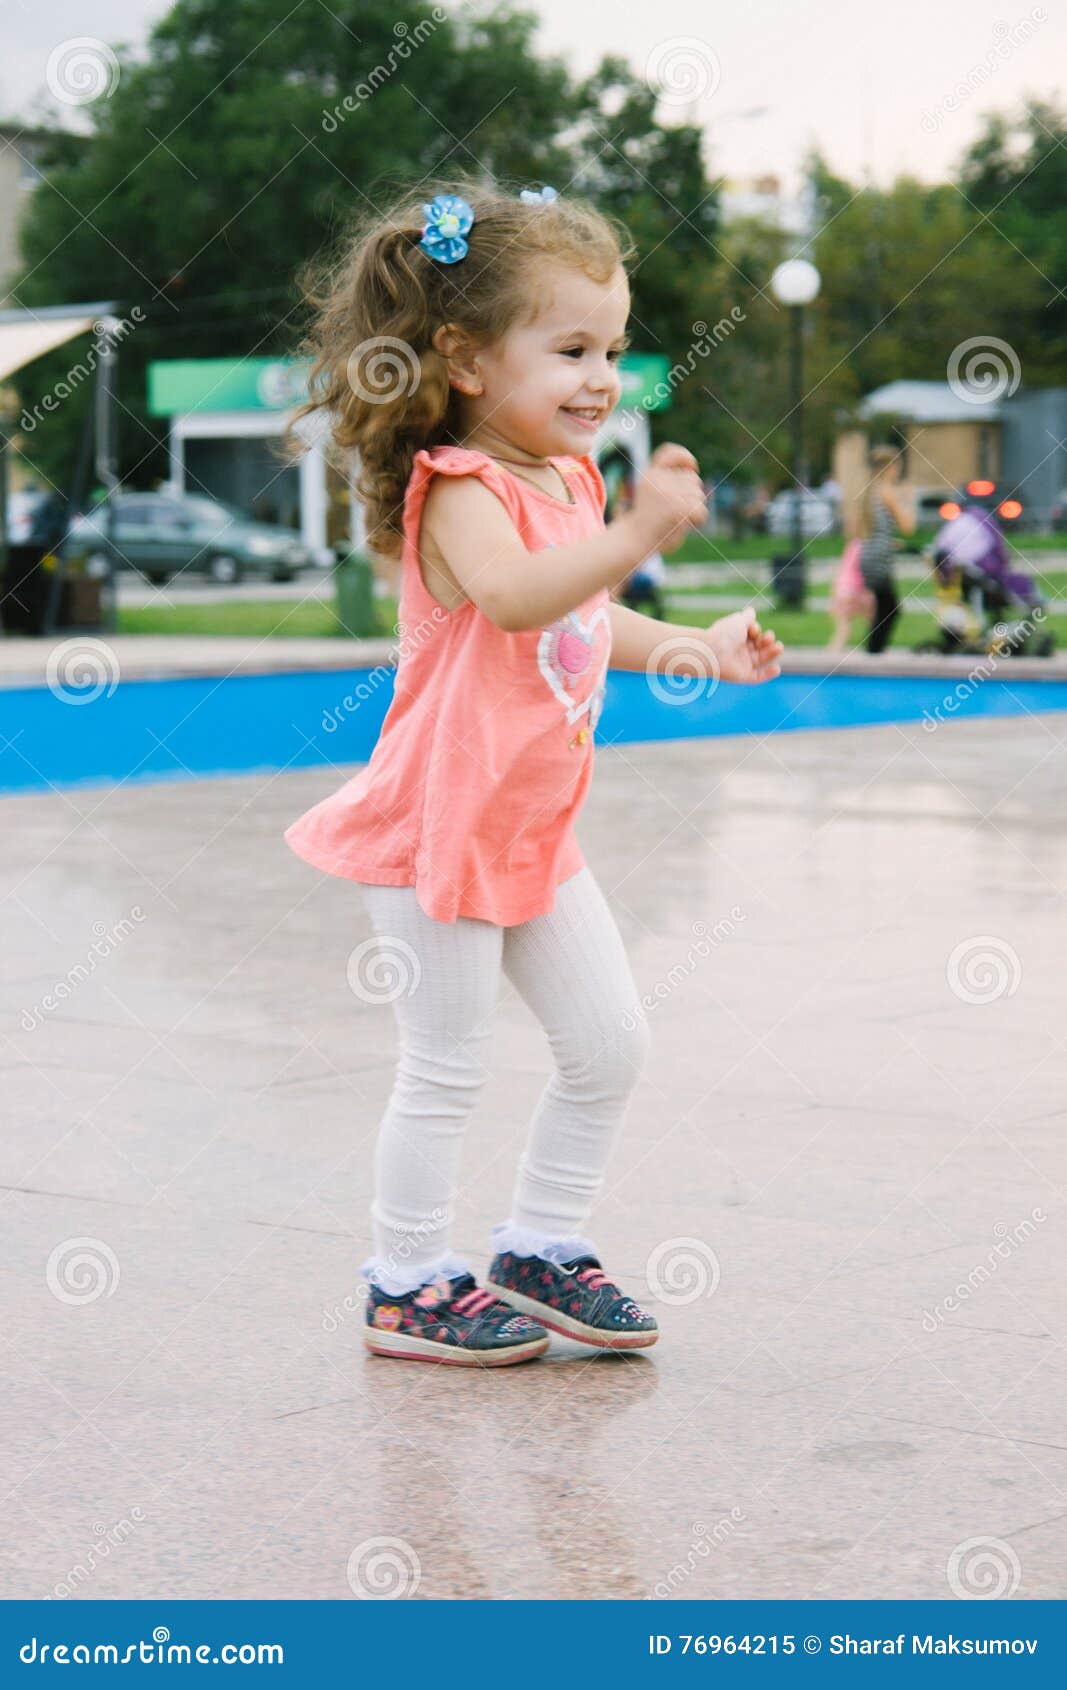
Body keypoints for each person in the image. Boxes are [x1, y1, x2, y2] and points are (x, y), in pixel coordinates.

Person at [282, 179, 784, 1367]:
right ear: (461, 357)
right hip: (436, 828)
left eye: (611, 347)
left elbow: (579, 621)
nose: (602, 376)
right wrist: (640, 537)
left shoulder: (572, 483)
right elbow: (513, 598)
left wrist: (695, 650)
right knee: (444, 1066)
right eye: (568, 348)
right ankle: (405, 1280)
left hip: (530, 831)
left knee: (608, 1044)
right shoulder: (459, 490)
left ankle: (538, 1245)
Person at [859, 445, 915, 653]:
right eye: (897, 466)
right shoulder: (887, 491)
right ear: (890, 467)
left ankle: (874, 651)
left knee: (884, 609)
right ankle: (874, 654)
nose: (898, 472)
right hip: (880, 559)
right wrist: (909, 499)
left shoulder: (870, 490)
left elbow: (870, 529)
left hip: (868, 555)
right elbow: (908, 527)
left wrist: (891, 542)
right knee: (891, 610)